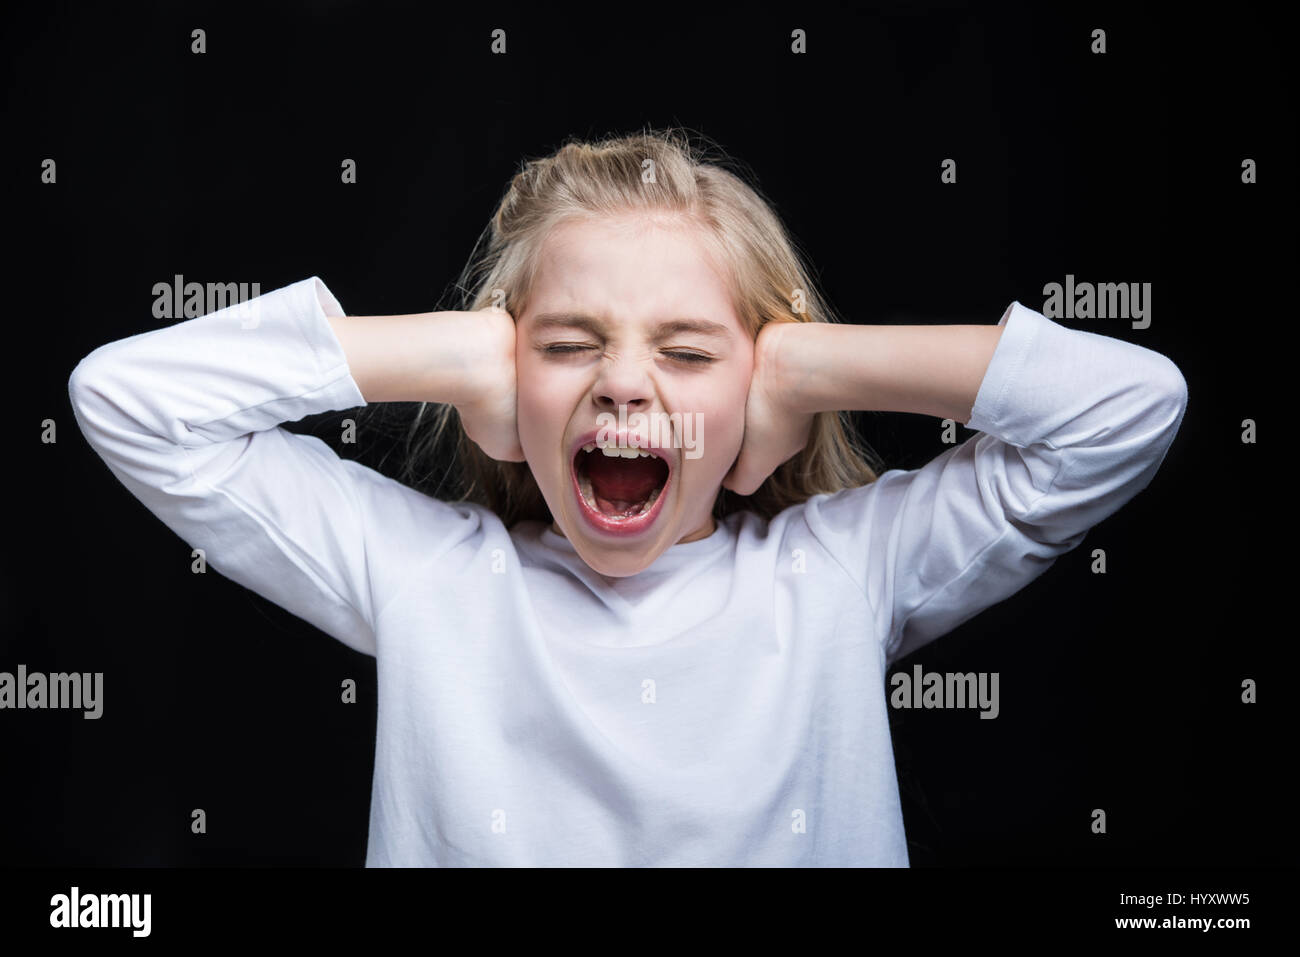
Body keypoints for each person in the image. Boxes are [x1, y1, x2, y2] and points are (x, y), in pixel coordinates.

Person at [67, 128, 1188, 866]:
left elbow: (1128, 408)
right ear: (510, 381)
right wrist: (450, 353)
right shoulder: (429, 577)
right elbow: (127, 401)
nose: (619, 381)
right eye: (566, 345)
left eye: (690, 354)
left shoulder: (842, 571)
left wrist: (808, 364)